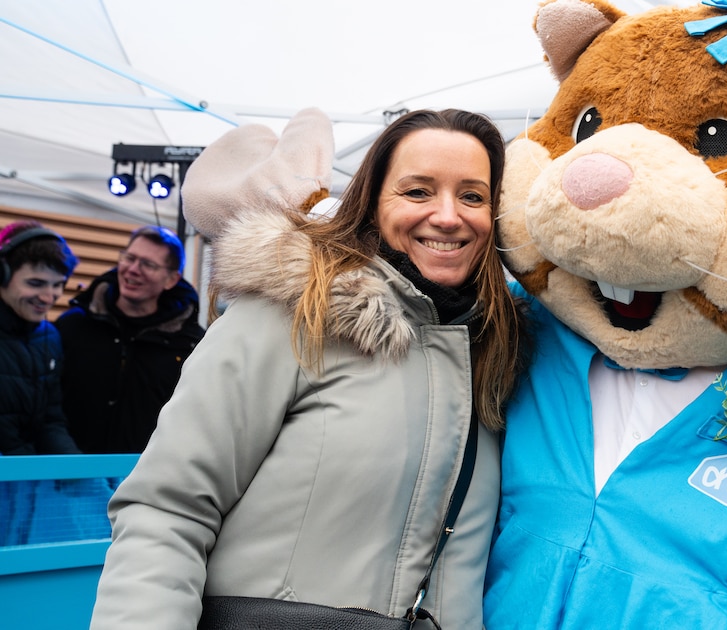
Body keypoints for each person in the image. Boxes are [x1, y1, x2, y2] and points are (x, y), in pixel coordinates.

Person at [90, 108, 530, 629]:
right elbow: (168, 511)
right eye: (417, 191)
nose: (448, 215)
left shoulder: (495, 354)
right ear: (371, 203)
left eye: (473, 196)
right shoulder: (288, 317)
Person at [55, 225, 205, 454]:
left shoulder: (191, 346)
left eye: (148, 264)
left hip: (148, 481)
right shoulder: (73, 325)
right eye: (129, 258)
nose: (133, 269)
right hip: (71, 477)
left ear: (171, 280)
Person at [0, 221, 81, 456]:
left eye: (58, 285)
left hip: (23, 482)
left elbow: (50, 422)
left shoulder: (49, 337)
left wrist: (79, 473)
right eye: (36, 283)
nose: (49, 297)